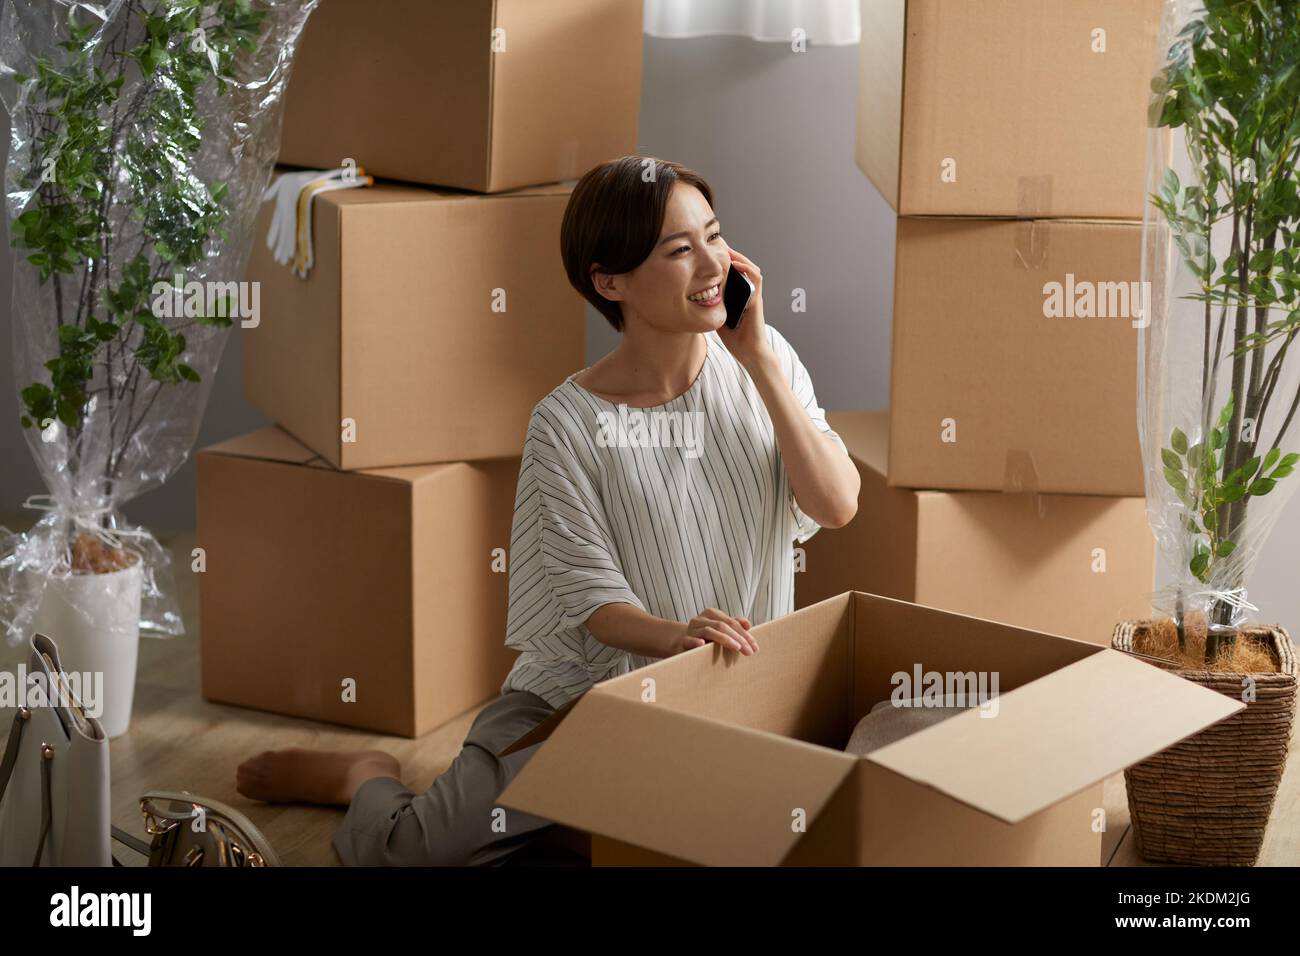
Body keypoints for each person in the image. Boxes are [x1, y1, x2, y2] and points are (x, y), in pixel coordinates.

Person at [234, 155, 860, 866]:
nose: (711, 264)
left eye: (714, 236)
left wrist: (762, 367)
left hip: (731, 699)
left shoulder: (765, 361)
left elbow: (835, 505)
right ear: (609, 280)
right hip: (582, 704)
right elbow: (592, 602)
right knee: (412, 855)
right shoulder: (565, 423)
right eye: (679, 250)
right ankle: (366, 777)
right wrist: (677, 637)